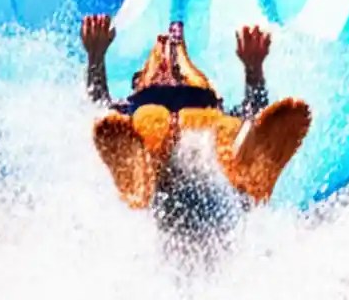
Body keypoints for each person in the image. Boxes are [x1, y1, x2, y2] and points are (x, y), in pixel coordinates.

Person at [80, 14, 311, 210]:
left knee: (236, 129)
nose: (169, 63)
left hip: (215, 183)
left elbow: (254, 111)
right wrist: (95, 58)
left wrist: (254, 72)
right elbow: (101, 110)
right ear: (137, 85)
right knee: (146, 123)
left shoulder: (215, 112)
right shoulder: (133, 110)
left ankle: (251, 171)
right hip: (161, 183)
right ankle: (137, 177)